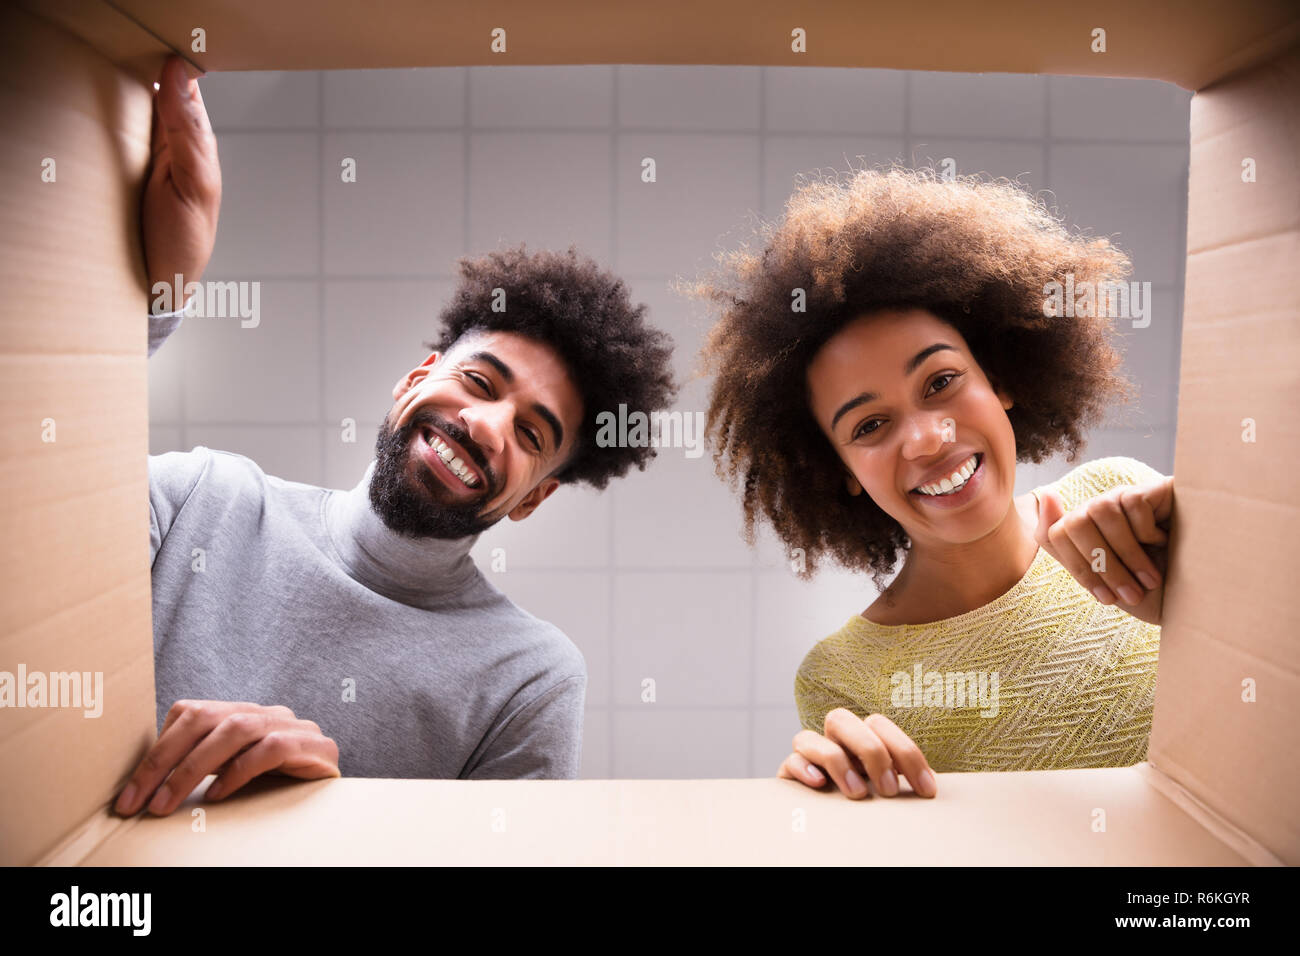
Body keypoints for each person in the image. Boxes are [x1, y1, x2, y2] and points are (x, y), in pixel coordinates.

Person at [116, 57, 676, 817]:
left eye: (532, 433)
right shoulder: (198, 500)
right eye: (480, 382)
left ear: (534, 498)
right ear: (415, 380)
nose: (485, 424)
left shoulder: (527, 676)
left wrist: (330, 820)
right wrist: (153, 303)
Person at [681, 163, 1173, 800]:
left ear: (1000, 381)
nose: (926, 439)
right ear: (842, 472)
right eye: (870, 425)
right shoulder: (842, 681)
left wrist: (1214, 590)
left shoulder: (1120, 505)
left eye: (941, 382)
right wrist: (836, 822)